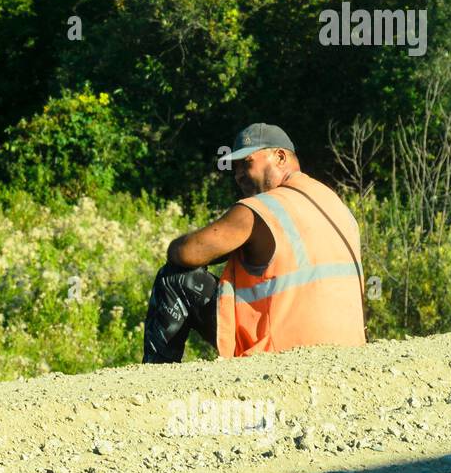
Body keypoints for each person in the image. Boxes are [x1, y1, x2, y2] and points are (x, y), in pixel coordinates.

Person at [143, 123, 367, 362]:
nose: (238, 174)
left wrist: (230, 245)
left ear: (280, 157)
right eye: (235, 167)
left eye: (246, 163)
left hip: (283, 351)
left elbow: (185, 253)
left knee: (174, 277)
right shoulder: (334, 204)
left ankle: (154, 380)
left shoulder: (262, 207)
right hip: (349, 350)